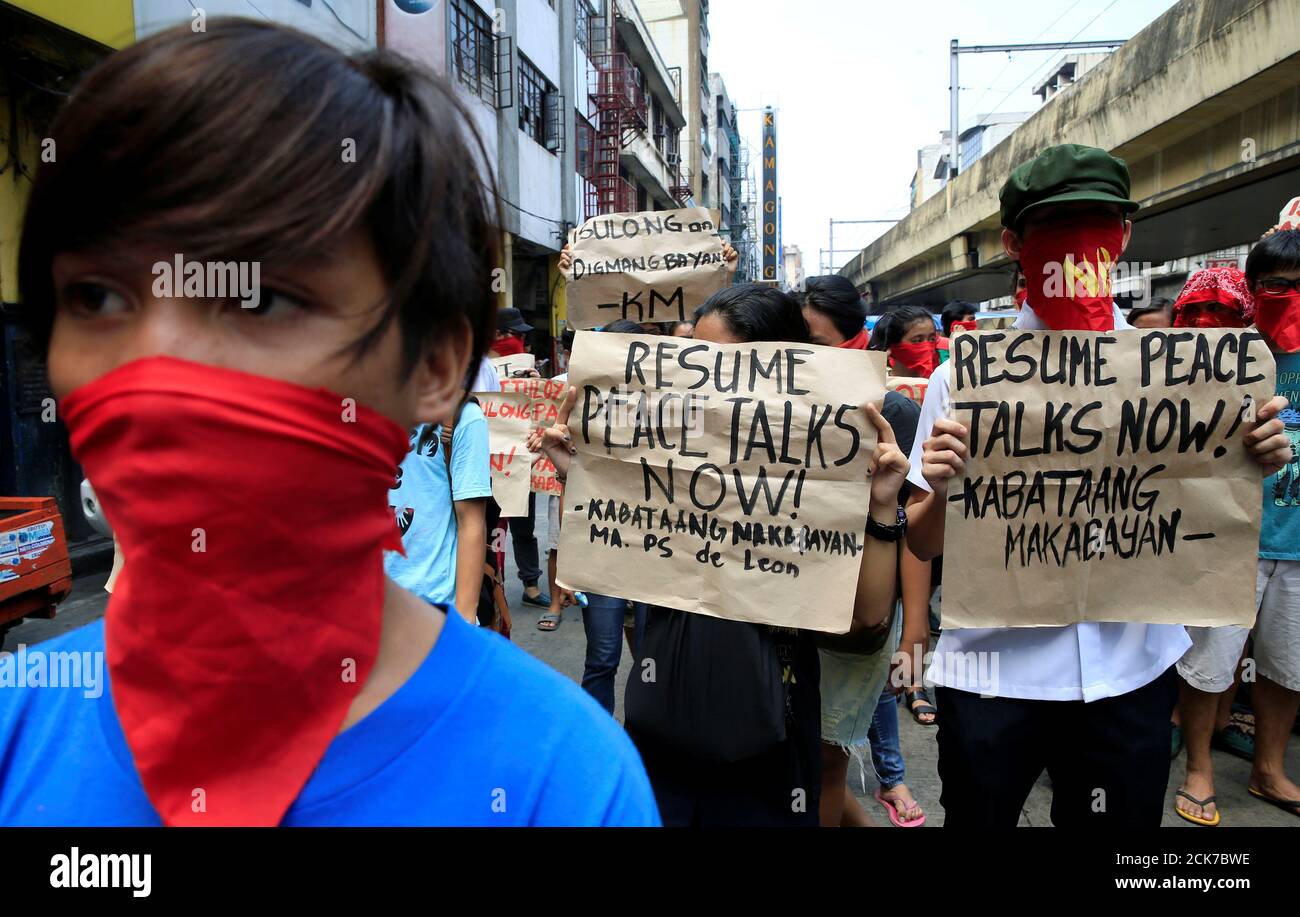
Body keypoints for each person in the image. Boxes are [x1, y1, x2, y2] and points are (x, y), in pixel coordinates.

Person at [0, 19, 658, 827]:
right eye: (99, 298)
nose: (153, 364)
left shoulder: (564, 783)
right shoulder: (19, 721)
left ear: (436, 365)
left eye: (263, 298)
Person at [904, 143, 1292, 827]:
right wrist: (941, 483)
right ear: (1014, 243)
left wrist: (1251, 458)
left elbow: (1208, 504)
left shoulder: (1183, 374)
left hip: (1129, 672)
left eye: (1096, 223)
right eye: (1058, 227)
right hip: (995, 675)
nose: (1078, 245)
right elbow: (924, 537)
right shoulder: (963, 379)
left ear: (1123, 236)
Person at [539, 283, 910, 826]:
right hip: (661, 728)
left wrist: (879, 508)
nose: (700, 383)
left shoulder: (824, 471)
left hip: (767, 746)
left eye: (719, 365)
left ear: (777, 366)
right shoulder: (668, 456)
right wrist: (584, 474)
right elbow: (629, 536)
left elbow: (867, 619)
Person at [802, 273, 928, 826]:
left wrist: (914, 629)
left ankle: (890, 779)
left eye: (817, 344)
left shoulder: (893, 412)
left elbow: (912, 523)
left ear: (854, 342)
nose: (801, 356)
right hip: (790, 599)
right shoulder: (781, 404)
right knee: (805, 755)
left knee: (827, 761)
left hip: (860, 606)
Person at [1165, 266, 1258, 825]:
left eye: (1223, 314)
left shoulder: (1259, 379)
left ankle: (1203, 753)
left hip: (1237, 542)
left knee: (1220, 658)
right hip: (1161, 543)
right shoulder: (1150, 380)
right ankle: (1185, 749)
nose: (1206, 326)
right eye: (1194, 313)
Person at [1239, 218, 1300, 820]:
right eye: (1281, 287)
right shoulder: (1220, 357)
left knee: (1288, 663)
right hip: (1233, 538)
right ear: (1253, 290)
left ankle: (1269, 767)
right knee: (1213, 659)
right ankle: (1200, 765)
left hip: (1299, 544)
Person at [877, 305, 944, 378]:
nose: (927, 347)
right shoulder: (876, 383)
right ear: (894, 345)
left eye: (932, 339)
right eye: (917, 341)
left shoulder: (942, 383)